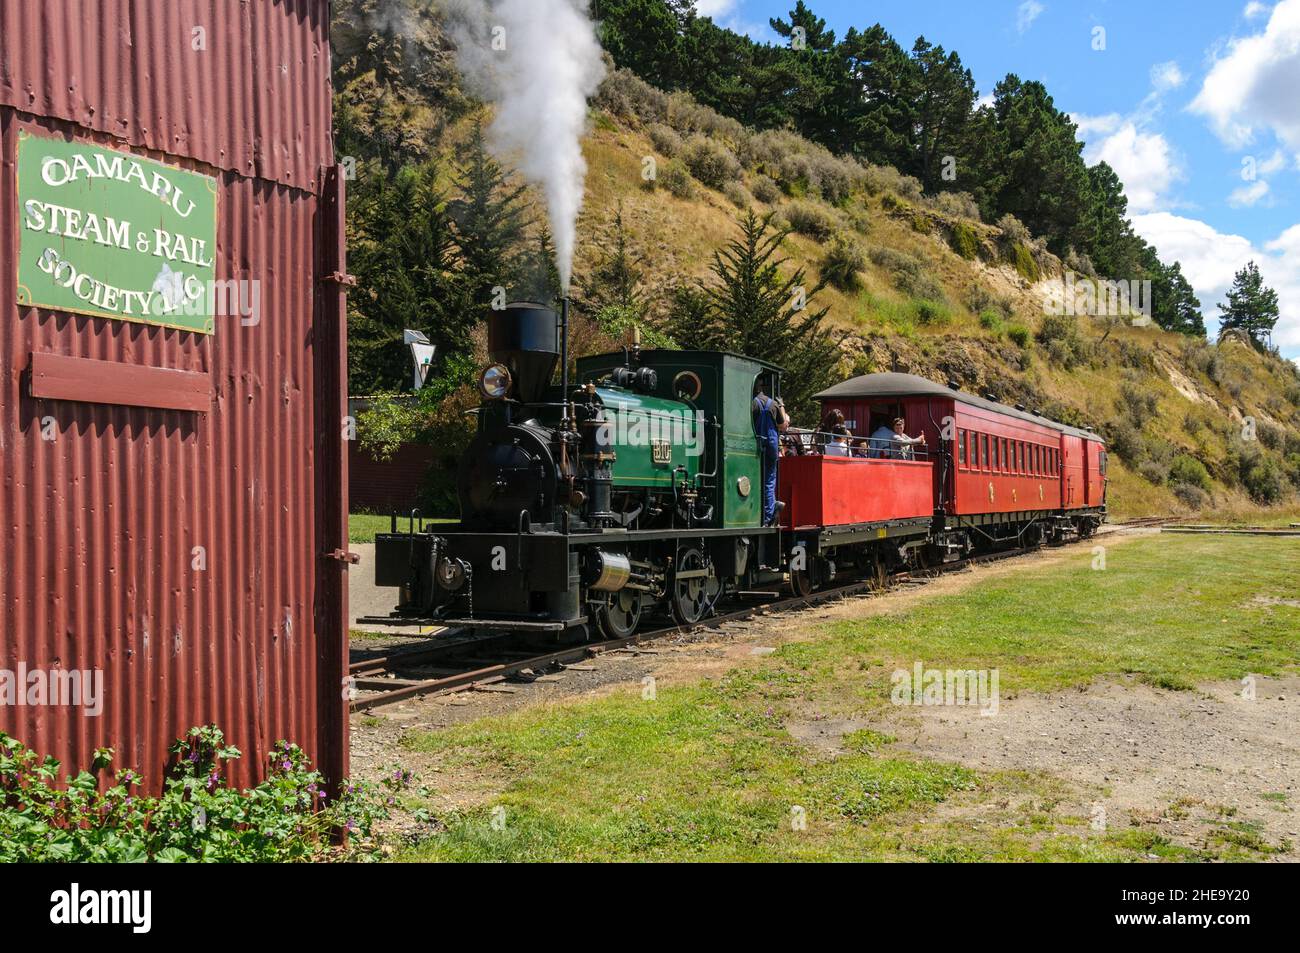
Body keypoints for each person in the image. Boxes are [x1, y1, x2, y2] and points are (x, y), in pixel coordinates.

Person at [752, 382, 787, 525]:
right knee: (769, 481)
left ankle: (763, 513)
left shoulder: (753, 404)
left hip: (756, 443)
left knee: (756, 478)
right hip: (771, 444)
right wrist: (782, 406)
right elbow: (783, 425)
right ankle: (768, 514)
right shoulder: (773, 404)